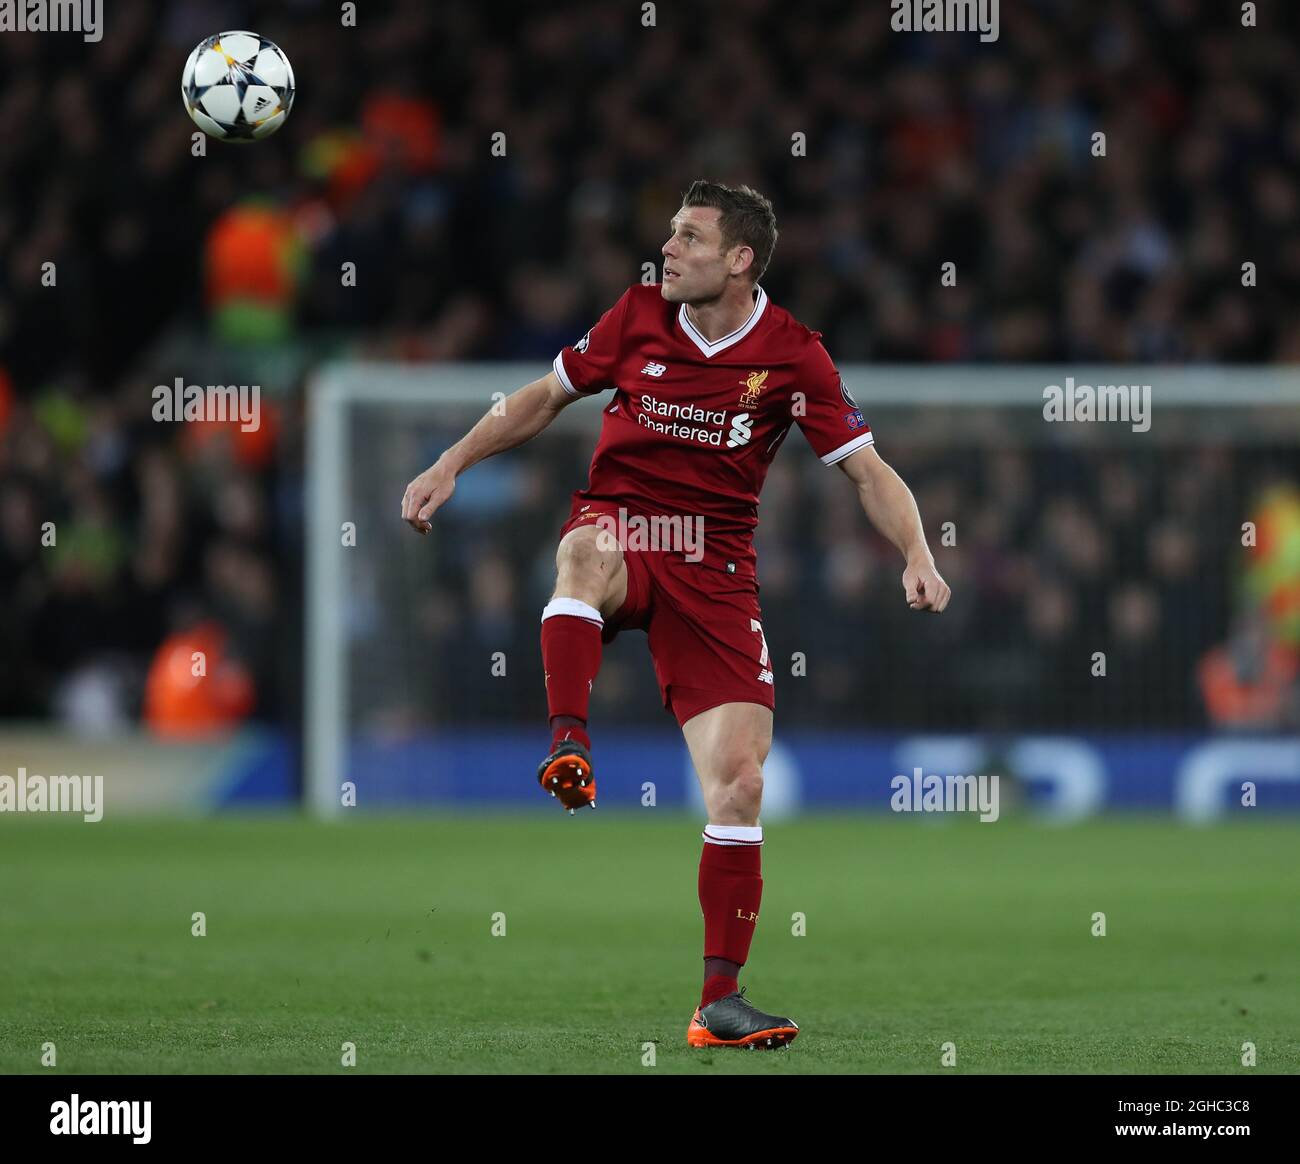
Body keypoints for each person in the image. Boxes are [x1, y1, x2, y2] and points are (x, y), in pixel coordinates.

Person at [402, 180, 950, 1049]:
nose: (668, 250)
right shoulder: (636, 315)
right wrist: (451, 462)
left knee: (740, 781)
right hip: (625, 524)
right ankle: (569, 743)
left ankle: (718, 1003)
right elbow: (543, 398)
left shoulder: (792, 355)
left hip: (717, 572)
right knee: (582, 552)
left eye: (689, 238)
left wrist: (917, 552)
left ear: (739, 259)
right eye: (670, 234)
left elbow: (868, 471)